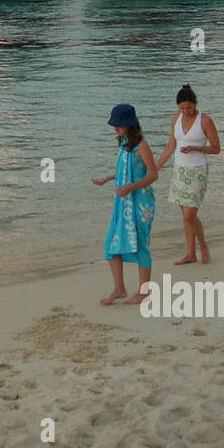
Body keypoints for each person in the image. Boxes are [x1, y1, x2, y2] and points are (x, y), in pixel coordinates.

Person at [92, 104, 157, 305]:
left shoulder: (141, 146)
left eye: (119, 125)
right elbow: (124, 171)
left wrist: (131, 187)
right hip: (122, 201)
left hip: (140, 202)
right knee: (109, 243)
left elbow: (153, 174)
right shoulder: (123, 142)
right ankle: (119, 289)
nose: (115, 128)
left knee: (141, 245)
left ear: (129, 124)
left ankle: (144, 291)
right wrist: (109, 178)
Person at [156, 84, 219, 264]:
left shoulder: (205, 120)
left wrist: (196, 148)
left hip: (197, 170)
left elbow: (216, 148)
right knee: (184, 214)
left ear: (195, 104)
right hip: (179, 170)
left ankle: (203, 245)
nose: (186, 111)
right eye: (182, 108)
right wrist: (155, 168)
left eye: (189, 108)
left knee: (189, 215)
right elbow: (170, 148)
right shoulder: (176, 118)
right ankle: (190, 254)